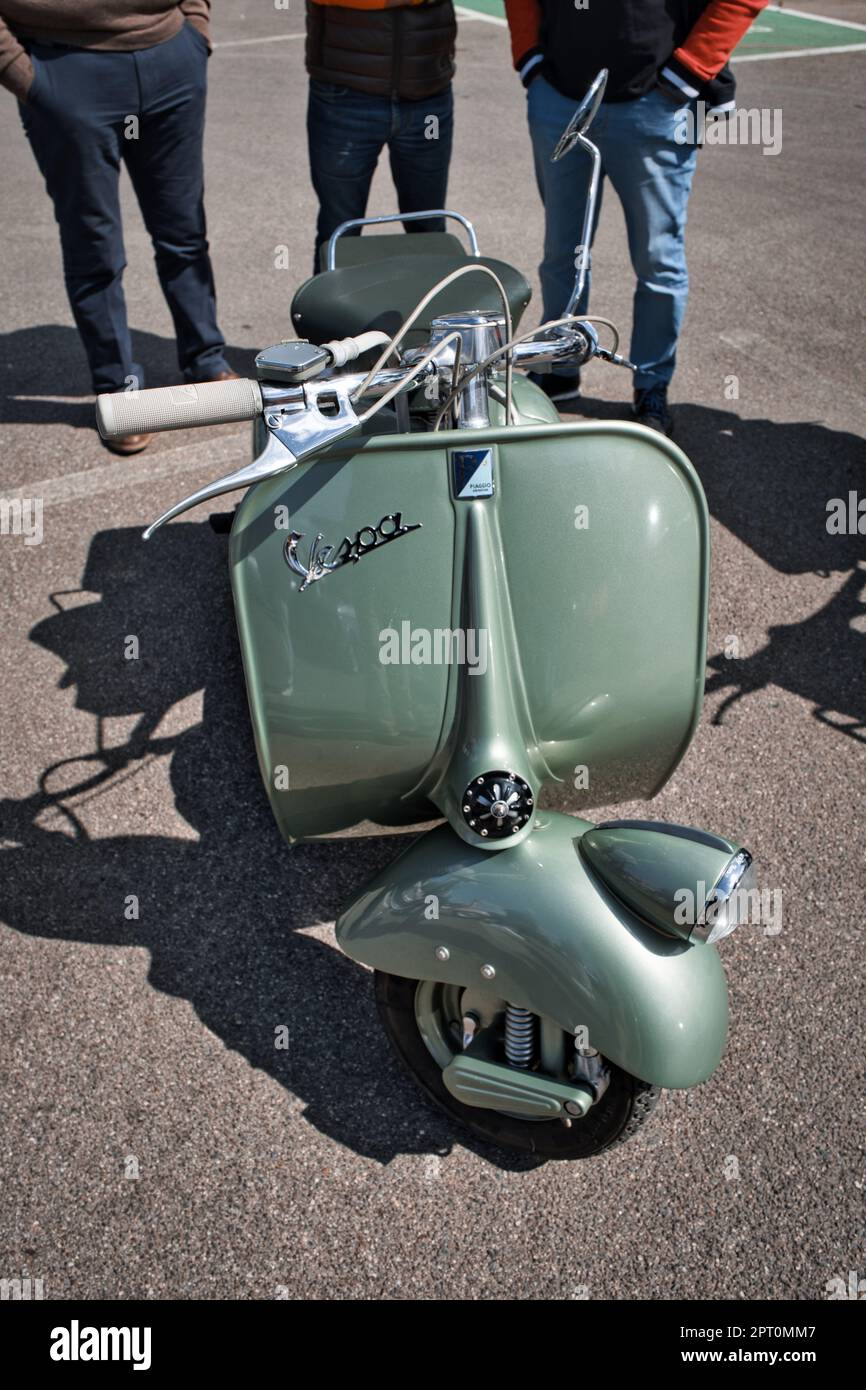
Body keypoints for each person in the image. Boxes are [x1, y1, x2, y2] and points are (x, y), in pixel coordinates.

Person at [504, 0, 769, 434]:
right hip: (560, 97)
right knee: (562, 252)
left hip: (657, 106)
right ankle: (560, 365)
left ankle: (652, 383)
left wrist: (688, 73)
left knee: (658, 261)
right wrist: (529, 59)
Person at [0, 1, 237, 455]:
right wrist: (25, 76)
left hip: (170, 57)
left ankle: (206, 360)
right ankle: (119, 388)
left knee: (184, 231)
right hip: (64, 69)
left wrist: (196, 29)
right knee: (96, 248)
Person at [305, 0, 456, 273]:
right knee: (338, 234)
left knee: (429, 232)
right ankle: (328, 316)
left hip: (428, 97)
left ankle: (427, 315)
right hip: (343, 97)